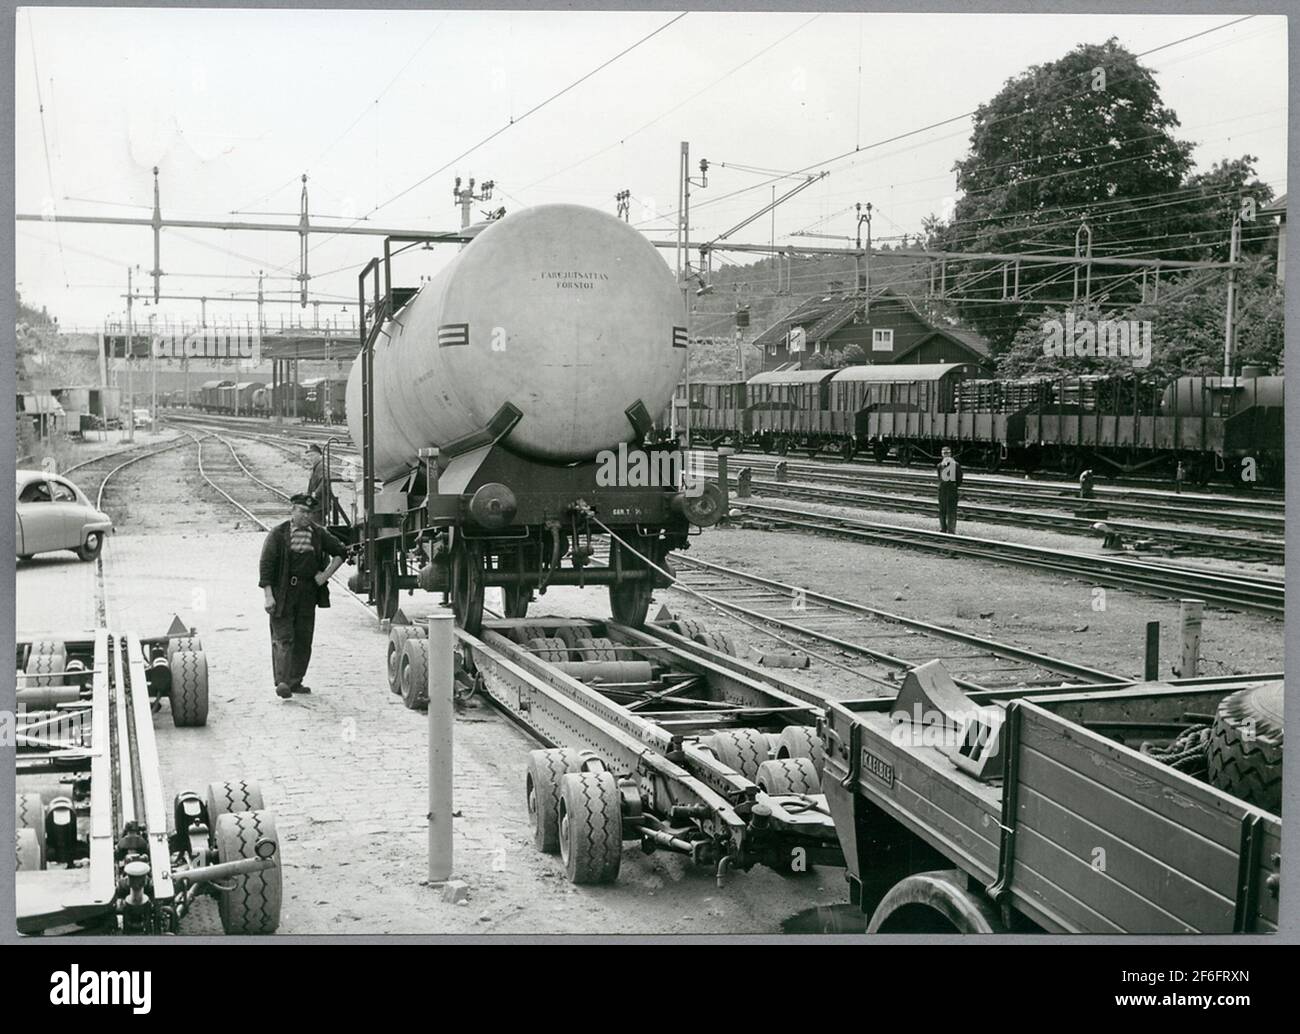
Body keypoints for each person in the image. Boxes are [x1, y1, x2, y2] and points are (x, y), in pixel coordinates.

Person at [260, 493, 348, 698]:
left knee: (303, 637)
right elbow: (266, 566)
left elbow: (341, 552)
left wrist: (324, 576)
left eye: (310, 512)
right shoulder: (278, 534)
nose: (306, 516)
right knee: (283, 637)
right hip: (283, 592)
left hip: (308, 593)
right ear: (292, 511)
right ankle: (282, 682)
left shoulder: (318, 534)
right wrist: (268, 595)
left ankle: (295, 681)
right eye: (302, 511)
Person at [306, 444, 335, 523]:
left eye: (312, 455)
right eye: (308, 456)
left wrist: (316, 493)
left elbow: (325, 481)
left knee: (316, 525)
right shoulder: (316, 467)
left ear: (319, 455)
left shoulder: (322, 466)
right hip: (316, 504)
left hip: (320, 503)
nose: (310, 458)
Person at [937, 446, 962, 534]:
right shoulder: (941, 465)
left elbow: (959, 478)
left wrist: (954, 486)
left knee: (950, 510)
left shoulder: (954, 465)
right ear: (942, 454)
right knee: (942, 510)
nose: (946, 455)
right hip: (944, 490)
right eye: (944, 453)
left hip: (951, 490)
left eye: (947, 453)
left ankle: (951, 529)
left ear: (950, 454)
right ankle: (943, 528)